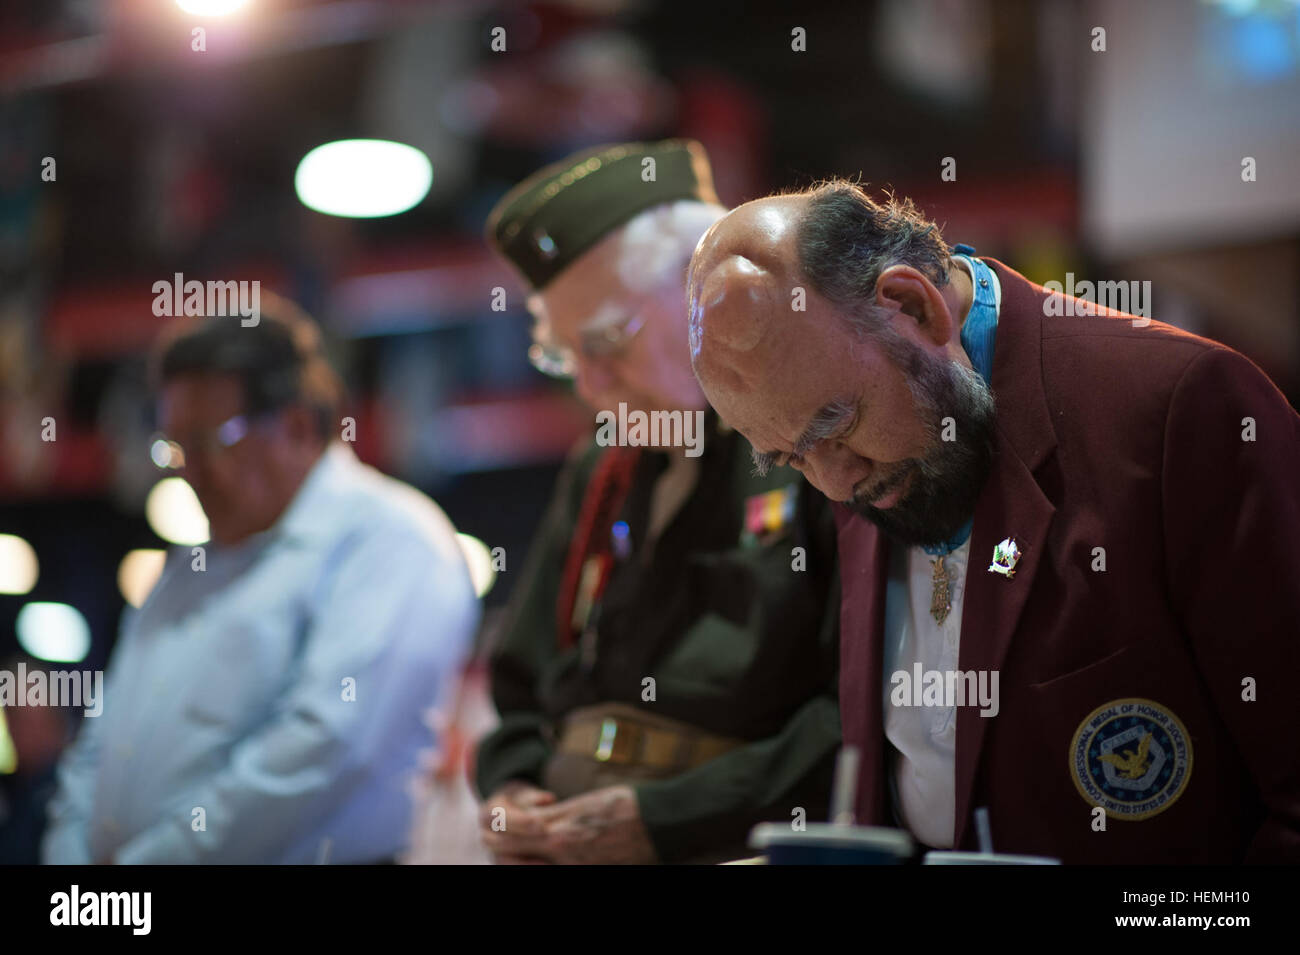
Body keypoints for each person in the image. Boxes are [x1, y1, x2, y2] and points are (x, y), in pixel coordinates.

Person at [686, 179, 1300, 863]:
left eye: (837, 427)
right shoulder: (858, 425)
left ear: (911, 305)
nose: (836, 481)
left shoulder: (1182, 409)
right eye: (788, 456)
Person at [476, 139, 841, 864]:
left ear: (703, 290)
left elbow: (854, 712)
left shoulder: (814, 443)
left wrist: (668, 817)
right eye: (561, 353)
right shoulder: (601, 468)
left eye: (609, 340)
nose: (588, 383)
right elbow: (520, 685)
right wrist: (510, 787)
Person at [42, 294, 479, 864]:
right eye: (175, 448)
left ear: (296, 427)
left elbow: (323, 746)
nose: (187, 473)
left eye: (208, 442)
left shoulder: (388, 538)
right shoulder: (190, 567)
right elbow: (100, 741)